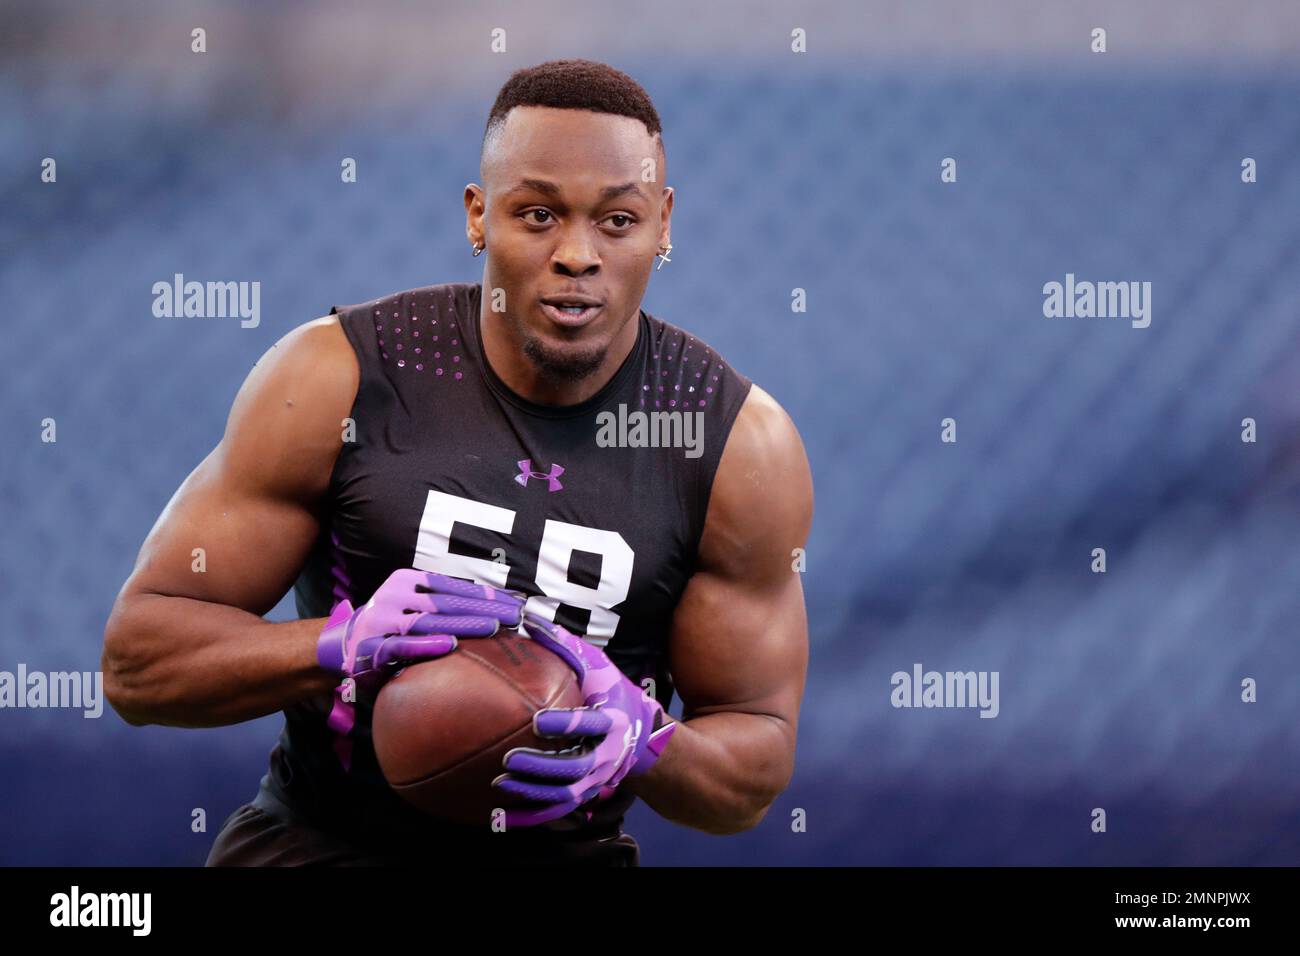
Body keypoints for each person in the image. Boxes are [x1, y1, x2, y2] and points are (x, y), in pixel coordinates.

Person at [101, 58, 813, 866]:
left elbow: (751, 771)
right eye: (538, 214)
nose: (578, 255)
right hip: (325, 840)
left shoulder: (730, 443)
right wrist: (335, 646)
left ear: (665, 224)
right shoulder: (337, 378)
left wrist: (647, 739)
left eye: (618, 220)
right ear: (479, 217)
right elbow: (137, 663)